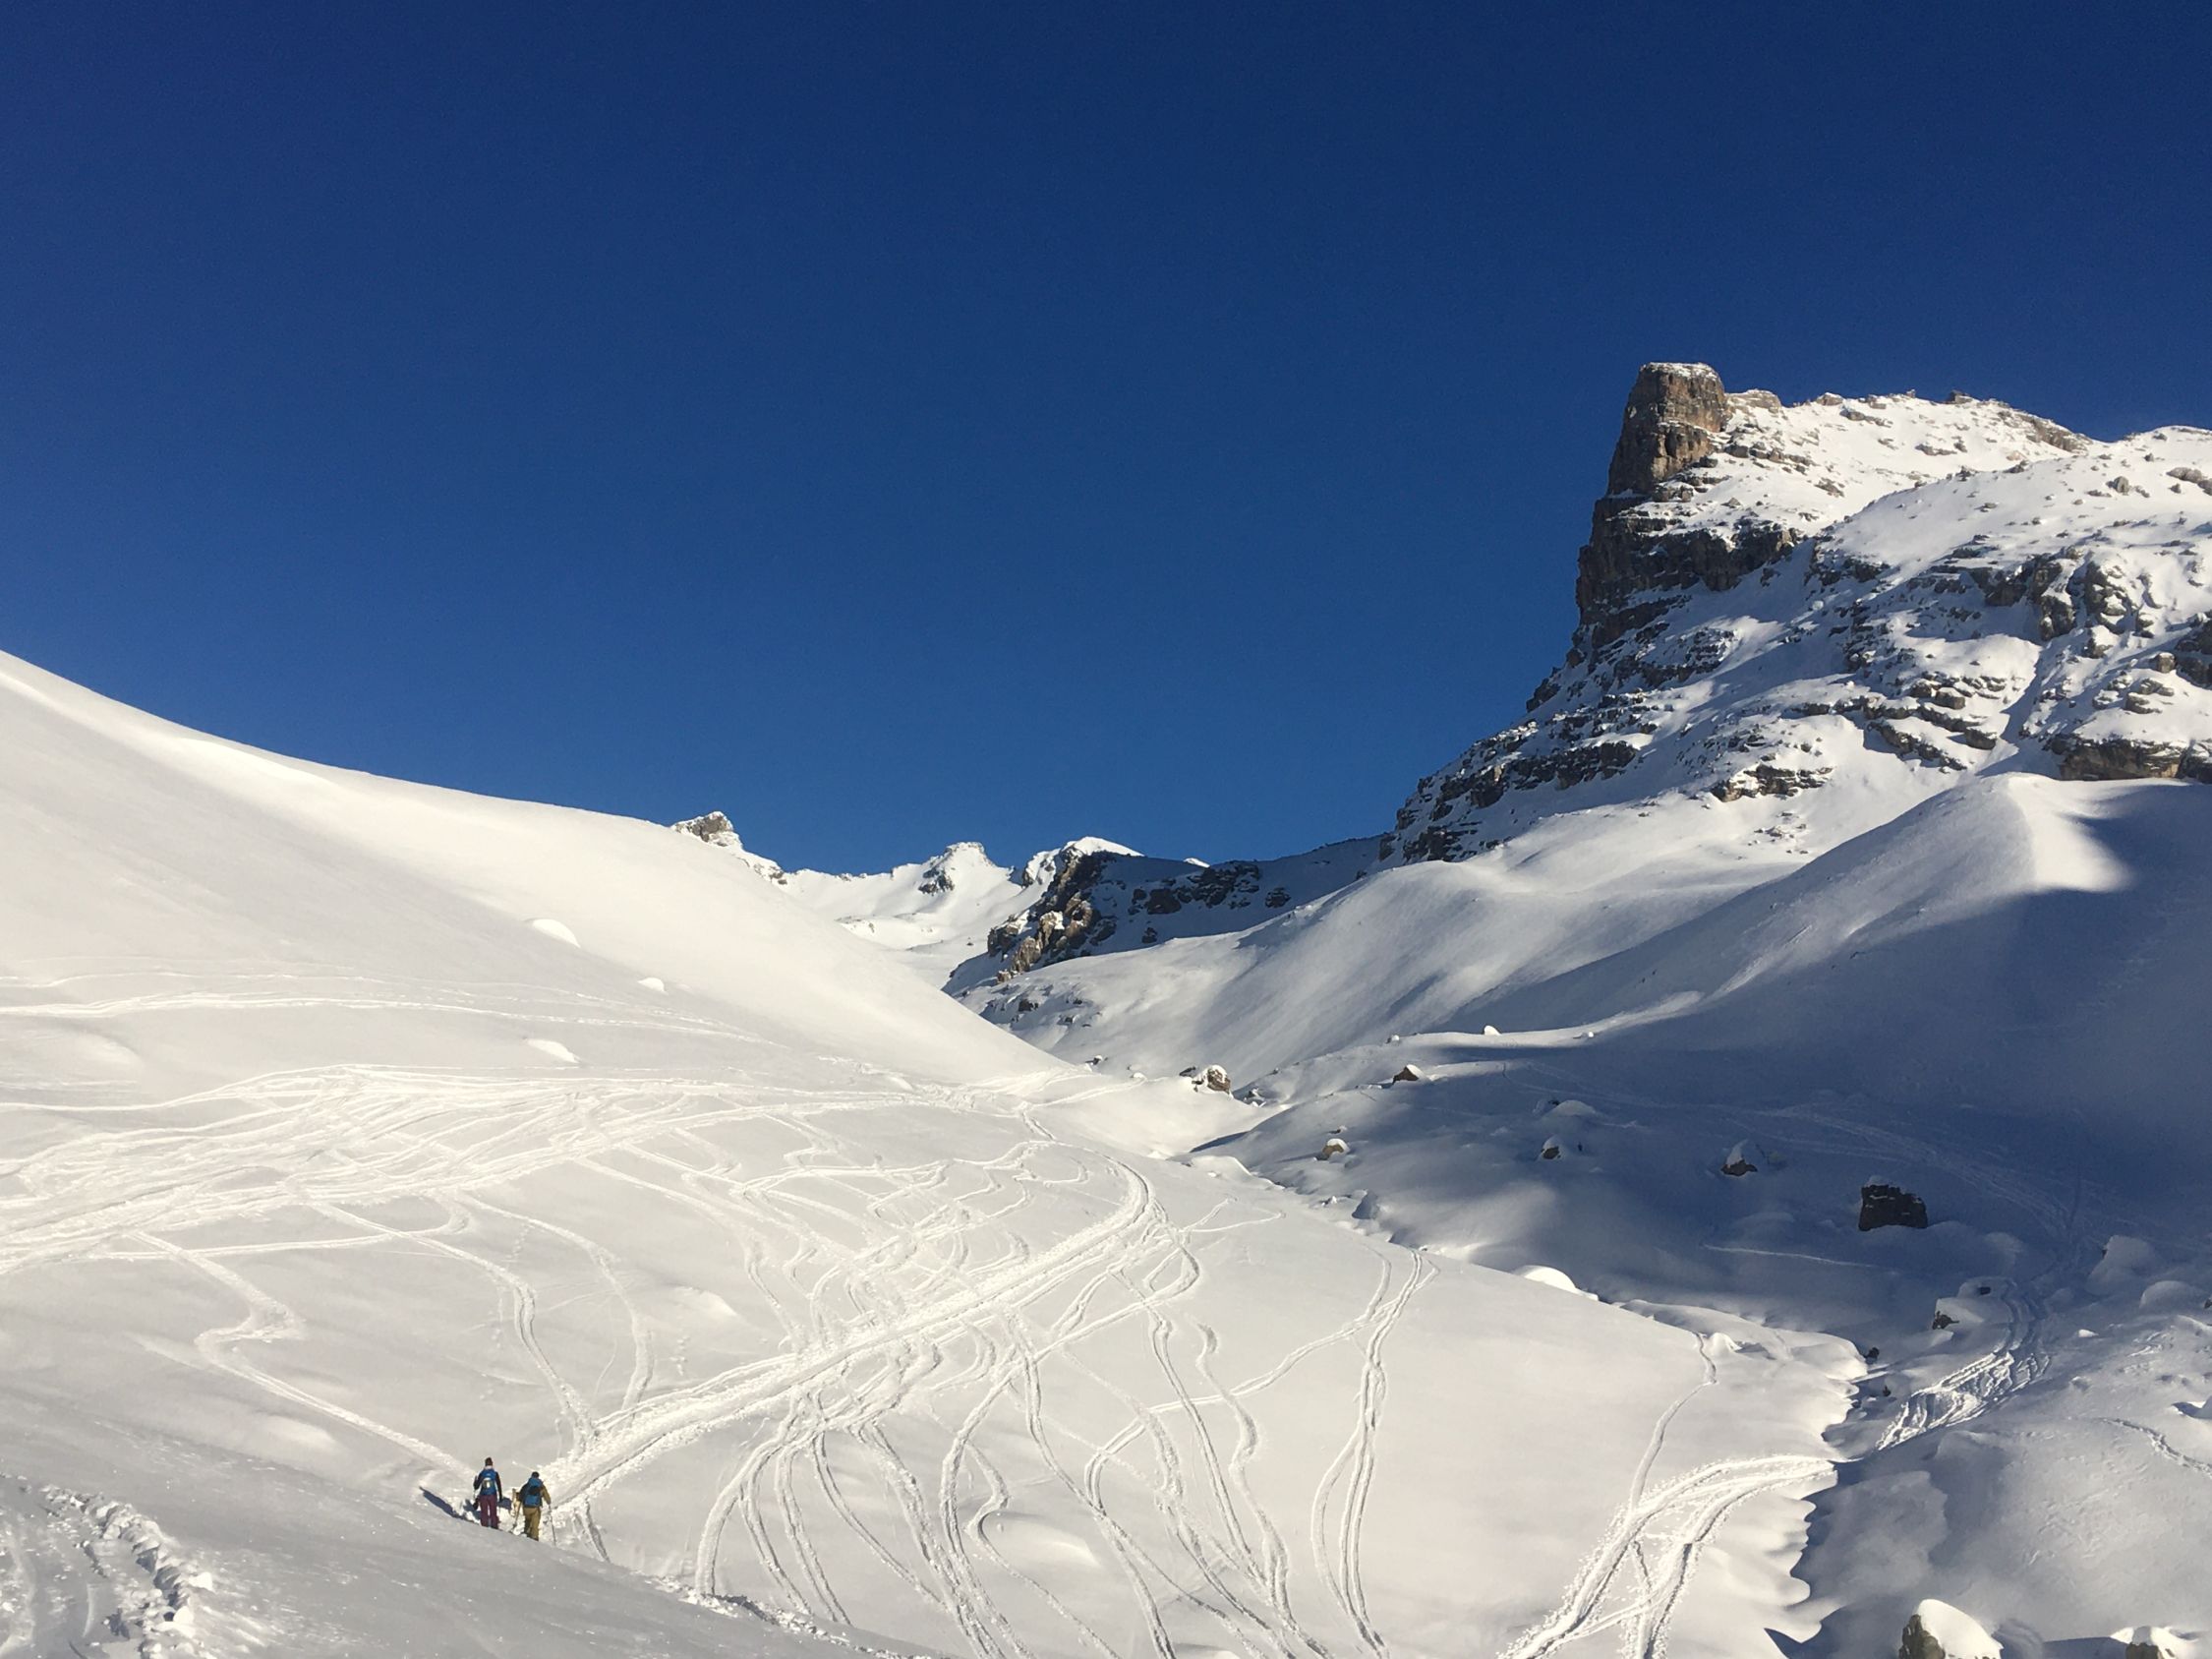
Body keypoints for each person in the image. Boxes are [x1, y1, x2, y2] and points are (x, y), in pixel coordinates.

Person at [515, 1470, 552, 1540]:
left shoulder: (527, 1485)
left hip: (526, 1507)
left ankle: (526, 1533)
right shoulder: (541, 1486)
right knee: (535, 1523)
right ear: (538, 1477)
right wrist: (548, 1502)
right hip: (535, 1508)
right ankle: (534, 1537)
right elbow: (546, 1496)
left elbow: (520, 1496)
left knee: (528, 1520)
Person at [473, 1457, 503, 1528]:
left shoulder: (482, 1473)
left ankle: (484, 1527)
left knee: (484, 1513)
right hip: (492, 1495)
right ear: (492, 1464)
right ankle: (494, 1526)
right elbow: (499, 1484)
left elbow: (476, 1486)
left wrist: (475, 1482)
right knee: (493, 1512)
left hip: (483, 1495)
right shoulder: (495, 1473)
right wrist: (501, 1496)